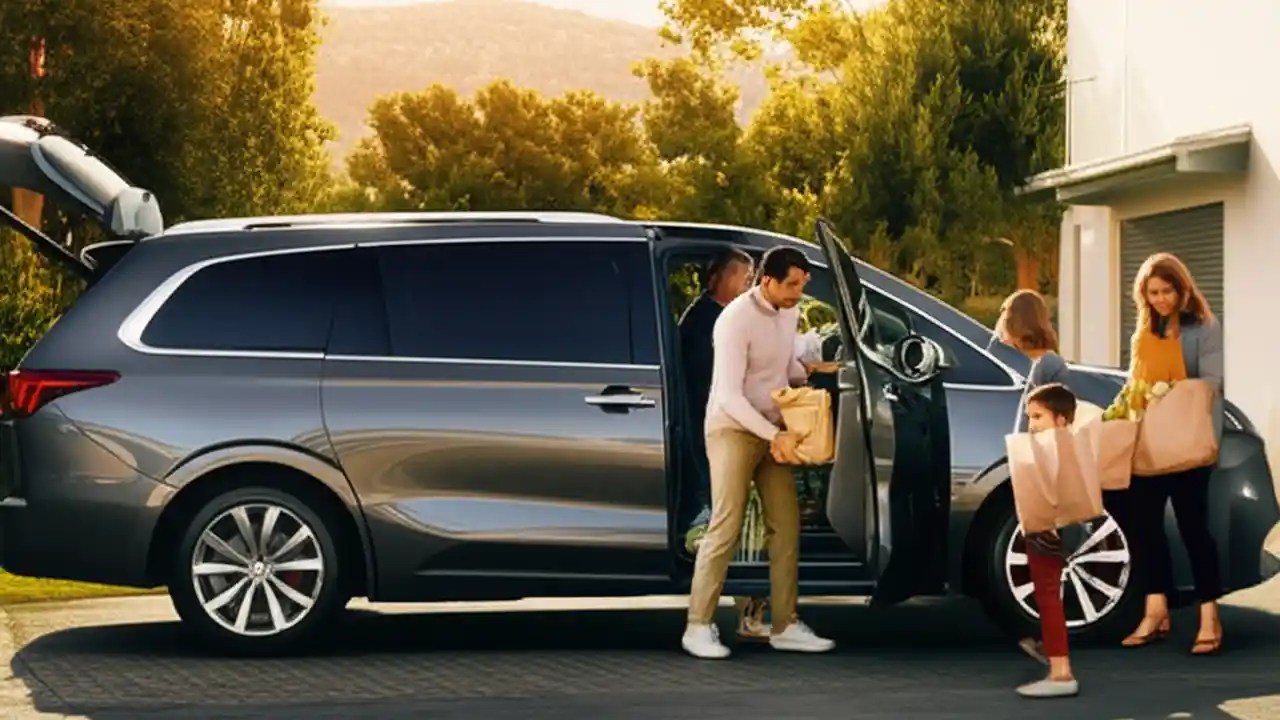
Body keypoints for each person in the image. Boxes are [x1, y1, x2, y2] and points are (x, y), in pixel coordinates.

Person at [681, 246, 837, 660]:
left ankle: (784, 625)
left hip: (772, 430)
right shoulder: (734, 320)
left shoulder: (788, 312)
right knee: (725, 526)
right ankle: (698, 625)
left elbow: (782, 368)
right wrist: (775, 435)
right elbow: (730, 396)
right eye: (791, 285)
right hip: (732, 428)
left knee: (786, 526)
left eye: (803, 285)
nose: (798, 294)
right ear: (766, 280)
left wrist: (813, 369)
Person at [1119, 252, 1225, 656]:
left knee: (1194, 530)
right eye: (1152, 293)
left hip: (1188, 444)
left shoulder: (1205, 328)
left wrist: (1166, 394)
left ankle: (1209, 616)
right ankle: (1155, 609)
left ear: (1182, 290)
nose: (1160, 300)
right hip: (1148, 443)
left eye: (1166, 291)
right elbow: (1134, 384)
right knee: (1145, 529)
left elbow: (1211, 383)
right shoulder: (1143, 332)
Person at [677, 248, 772, 641]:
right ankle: (722, 617)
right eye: (742, 275)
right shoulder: (706, 324)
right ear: (716, 278)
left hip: (725, 430)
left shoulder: (721, 318)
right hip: (719, 433)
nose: (749, 282)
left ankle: (744, 612)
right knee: (736, 526)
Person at [995, 290, 1078, 698]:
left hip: (1047, 486)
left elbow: (1057, 432)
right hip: (1042, 482)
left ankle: (1061, 673)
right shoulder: (1042, 365)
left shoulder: (1049, 367)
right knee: (1045, 579)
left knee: (1045, 579)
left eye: (1006, 316)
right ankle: (1052, 649)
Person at [1015, 383, 1080, 698]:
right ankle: (1056, 662)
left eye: (1038, 416)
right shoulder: (1062, 446)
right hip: (1046, 529)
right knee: (1048, 596)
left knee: (1048, 596)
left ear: (1062, 420)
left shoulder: (1057, 449)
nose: (1032, 424)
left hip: (1046, 531)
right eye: (1030, 417)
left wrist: (1048, 525)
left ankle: (1061, 672)